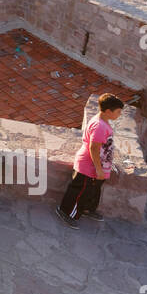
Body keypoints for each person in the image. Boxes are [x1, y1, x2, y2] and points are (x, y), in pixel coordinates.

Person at [54, 94, 123, 228]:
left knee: (92, 190)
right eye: (118, 112)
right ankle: (66, 212)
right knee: (79, 191)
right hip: (89, 166)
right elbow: (94, 148)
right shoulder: (99, 126)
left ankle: (87, 209)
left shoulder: (103, 121)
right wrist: (98, 169)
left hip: (97, 165)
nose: (120, 115)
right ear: (108, 111)